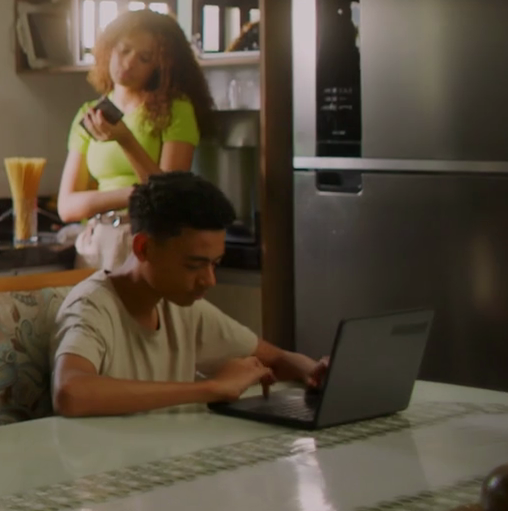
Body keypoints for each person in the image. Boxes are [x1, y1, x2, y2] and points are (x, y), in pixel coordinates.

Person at [51, 172, 326, 417]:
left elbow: (274, 358)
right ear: (143, 248)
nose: (209, 280)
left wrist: (312, 370)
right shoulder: (92, 307)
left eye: (214, 264)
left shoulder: (182, 307)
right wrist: (211, 388)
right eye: (194, 265)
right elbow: (71, 393)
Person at [58, 10, 218, 270]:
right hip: (97, 243)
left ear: (160, 68)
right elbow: (67, 207)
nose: (128, 63)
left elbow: (169, 198)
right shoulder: (89, 114)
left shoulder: (176, 109)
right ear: (109, 49)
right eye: (124, 50)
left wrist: (125, 140)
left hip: (148, 241)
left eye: (144, 58)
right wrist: (134, 193)